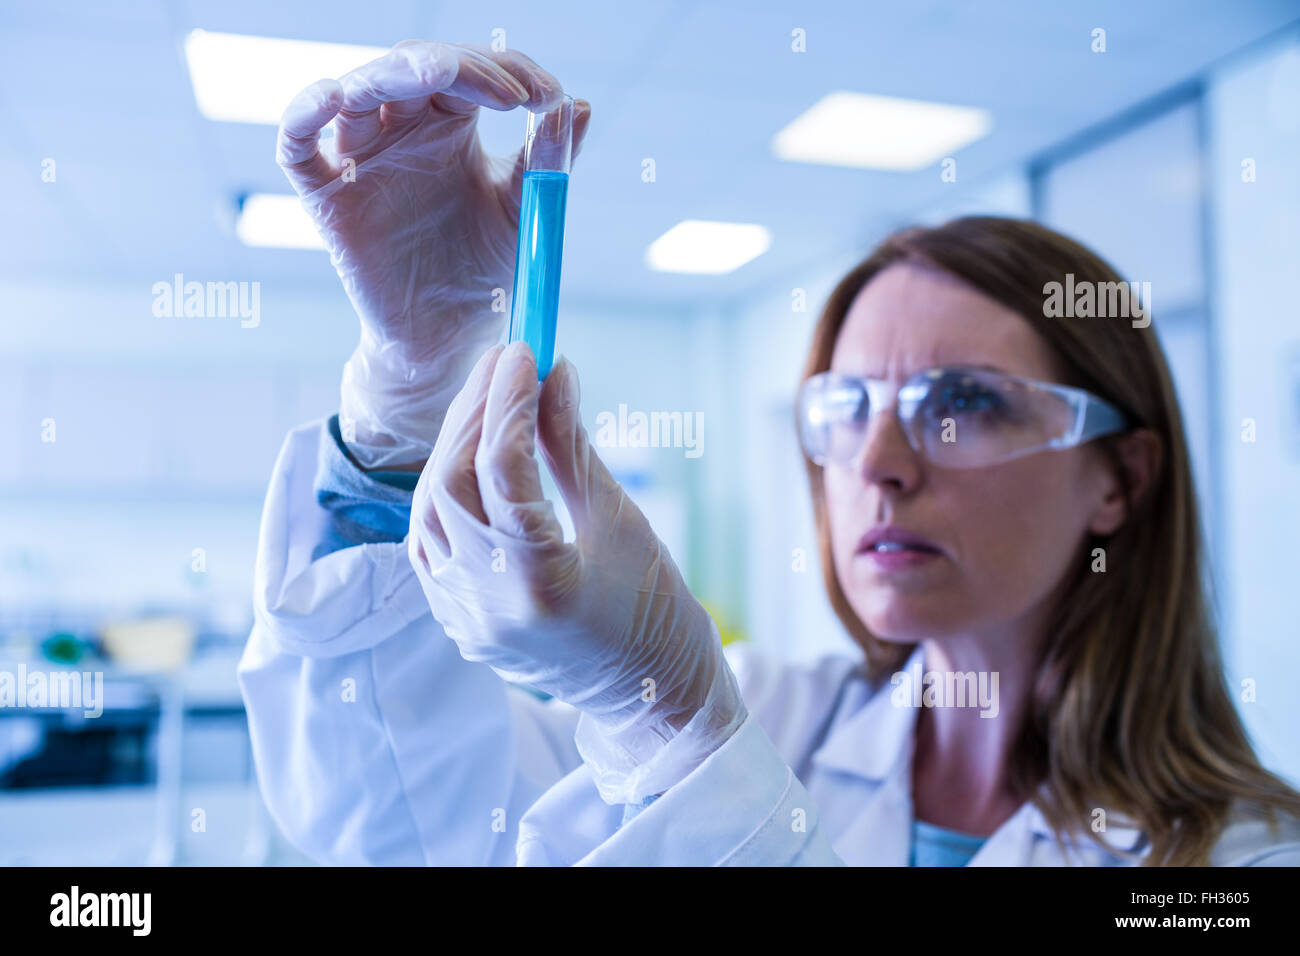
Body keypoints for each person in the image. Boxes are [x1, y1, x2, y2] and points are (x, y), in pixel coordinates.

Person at [238, 40, 1300, 866]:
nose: (878, 461)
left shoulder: (1237, 853)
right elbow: (403, 820)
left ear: (1119, 478)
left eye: (962, 402)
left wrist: (673, 730)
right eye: (846, 405)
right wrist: (409, 390)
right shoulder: (773, 711)